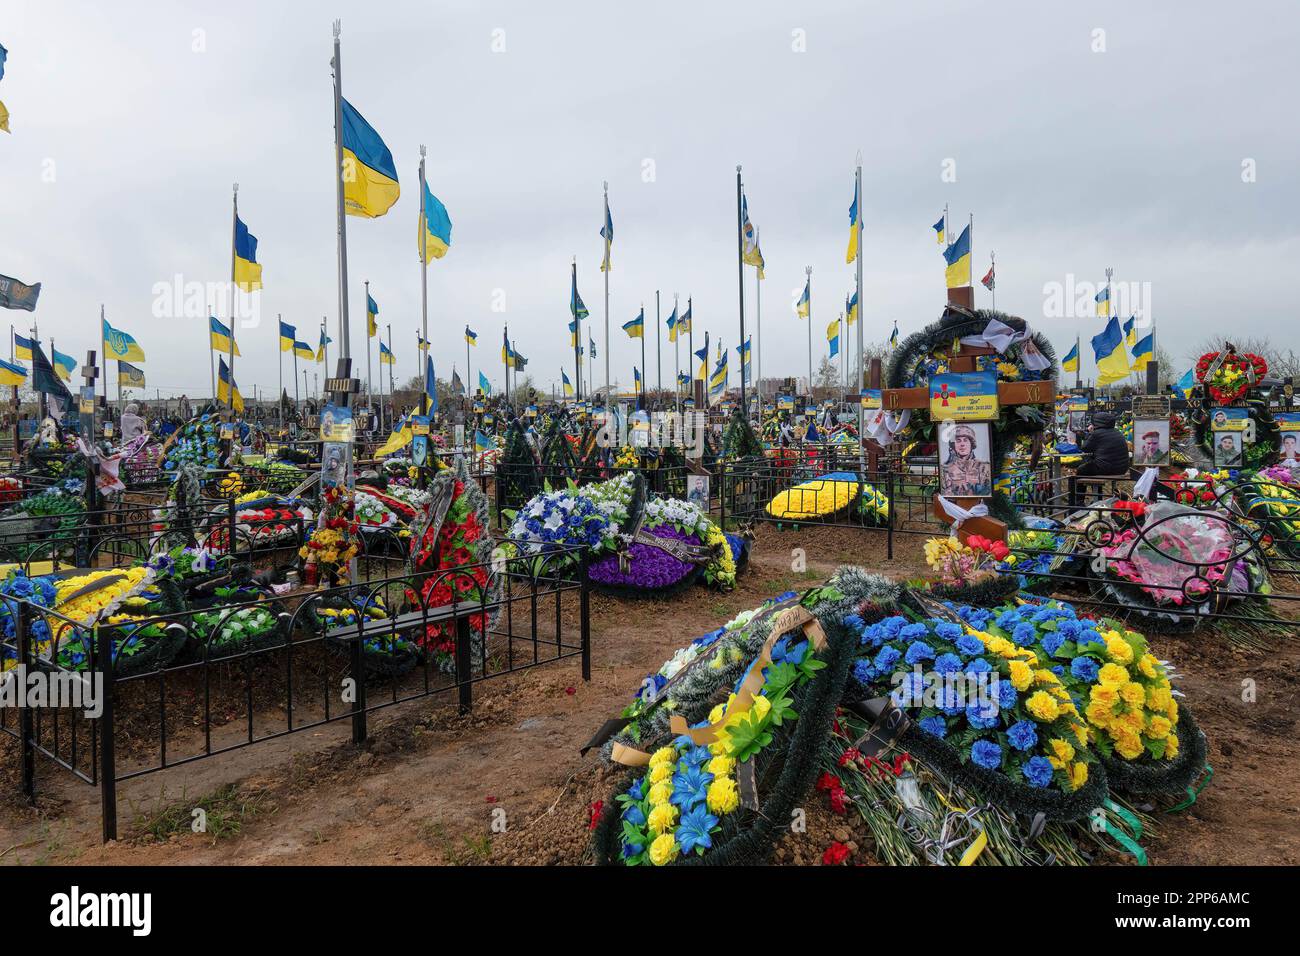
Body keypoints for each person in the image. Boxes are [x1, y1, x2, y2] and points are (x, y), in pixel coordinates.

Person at [1072, 411, 1130, 504]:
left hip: (1107, 468)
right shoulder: (1117, 432)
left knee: (1081, 470)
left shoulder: (1096, 434)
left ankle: (1078, 501)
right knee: (1093, 468)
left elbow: (1085, 448)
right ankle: (1097, 499)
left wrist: (1090, 433)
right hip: (1121, 469)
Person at [941, 423, 992, 496]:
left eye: (965, 440)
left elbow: (988, 493)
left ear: (971, 444)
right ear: (953, 445)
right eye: (958, 441)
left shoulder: (984, 467)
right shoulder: (945, 469)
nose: (962, 444)